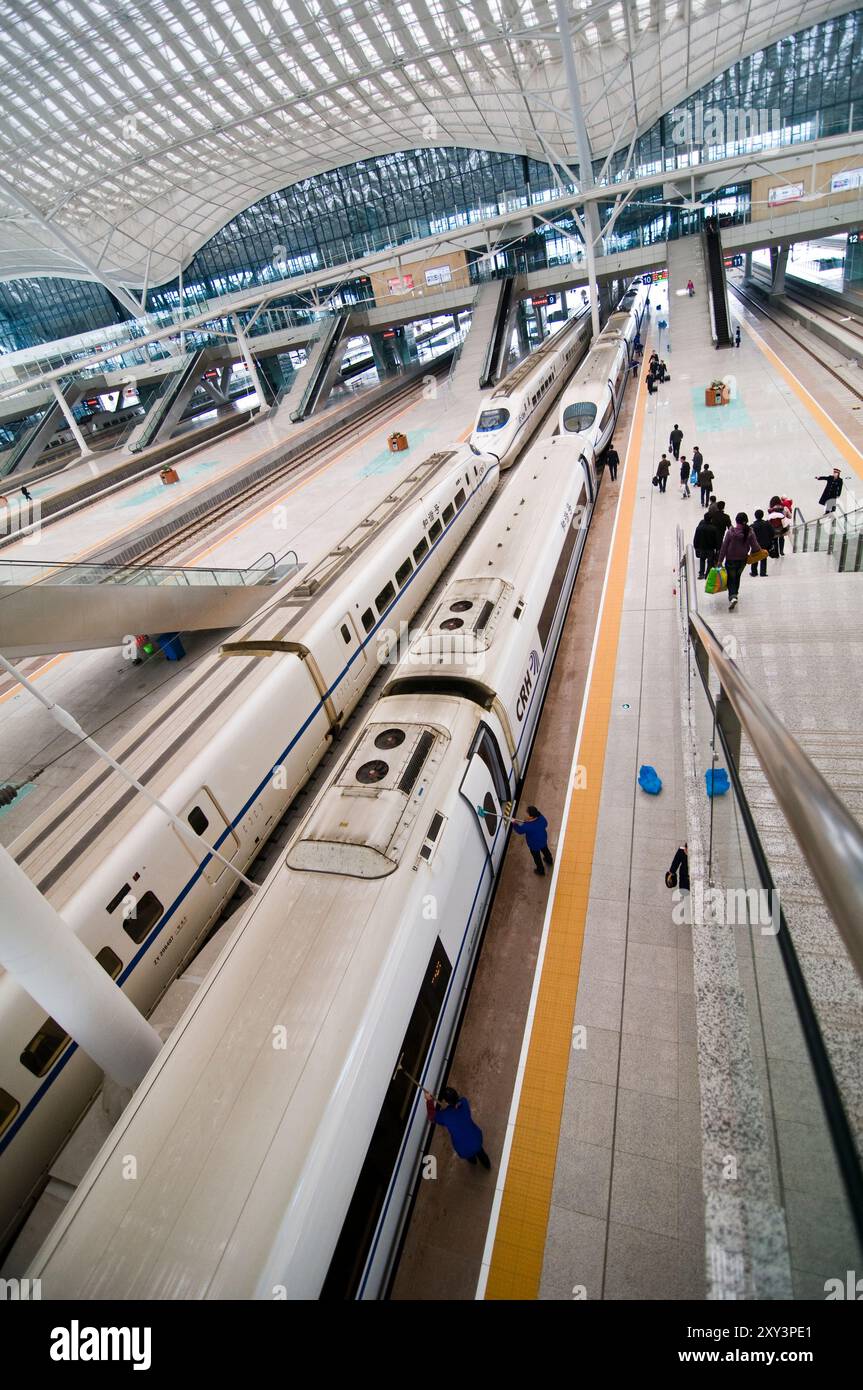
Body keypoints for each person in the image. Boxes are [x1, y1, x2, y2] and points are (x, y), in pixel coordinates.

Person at [425, 1086, 491, 1169]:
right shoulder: (464, 1102)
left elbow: (432, 1116)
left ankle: (473, 1162)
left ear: (446, 1101)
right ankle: (487, 1165)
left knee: (470, 1156)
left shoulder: (445, 1116)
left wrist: (429, 1101)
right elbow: (458, 1103)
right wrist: (449, 1107)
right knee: (481, 1153)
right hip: (476, 1139)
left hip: (463, 1149)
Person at [718, 511, 758, 609]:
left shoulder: (731, 532)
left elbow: (724, 547)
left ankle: (733, 596)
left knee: (731, 578)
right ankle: (735, 594)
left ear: (736, 521)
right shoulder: (750, 532)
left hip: (731, 559)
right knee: (737, 576)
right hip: (742, 560)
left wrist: (719, 561)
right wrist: (754, 554)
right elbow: (755, 547)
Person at [512, 805, 553, 875]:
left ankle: (541, 870)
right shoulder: (541, 818)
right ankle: (549, 860)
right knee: (545, 850)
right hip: (543, 840)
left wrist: (514, 823)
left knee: (537, 858)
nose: (525, 813)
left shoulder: (527, 826)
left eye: (526, 813)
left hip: (534, 845)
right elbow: (545, 824)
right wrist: (527, 821)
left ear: (531, 816)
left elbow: (519, 831)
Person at [693, 511, 719, 580]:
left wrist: (696, 547)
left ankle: (701, 573)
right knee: (710, 561)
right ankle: (708, 574)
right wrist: (717, 548)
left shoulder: (699, 528)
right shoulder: (714, 528)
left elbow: (696, 538)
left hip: (702, 547)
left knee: (702, 559)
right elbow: (716, 540)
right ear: (711, 519)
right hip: (710, 548)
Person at [749, 508, 774, 577]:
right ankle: (763, 572)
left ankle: (754, 572)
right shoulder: (767, 524)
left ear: (755, 516)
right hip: (765, 544)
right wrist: (769, 540)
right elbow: (772, 533)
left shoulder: (752, 526)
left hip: (755, 544)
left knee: (755, 557)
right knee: (763, 558)